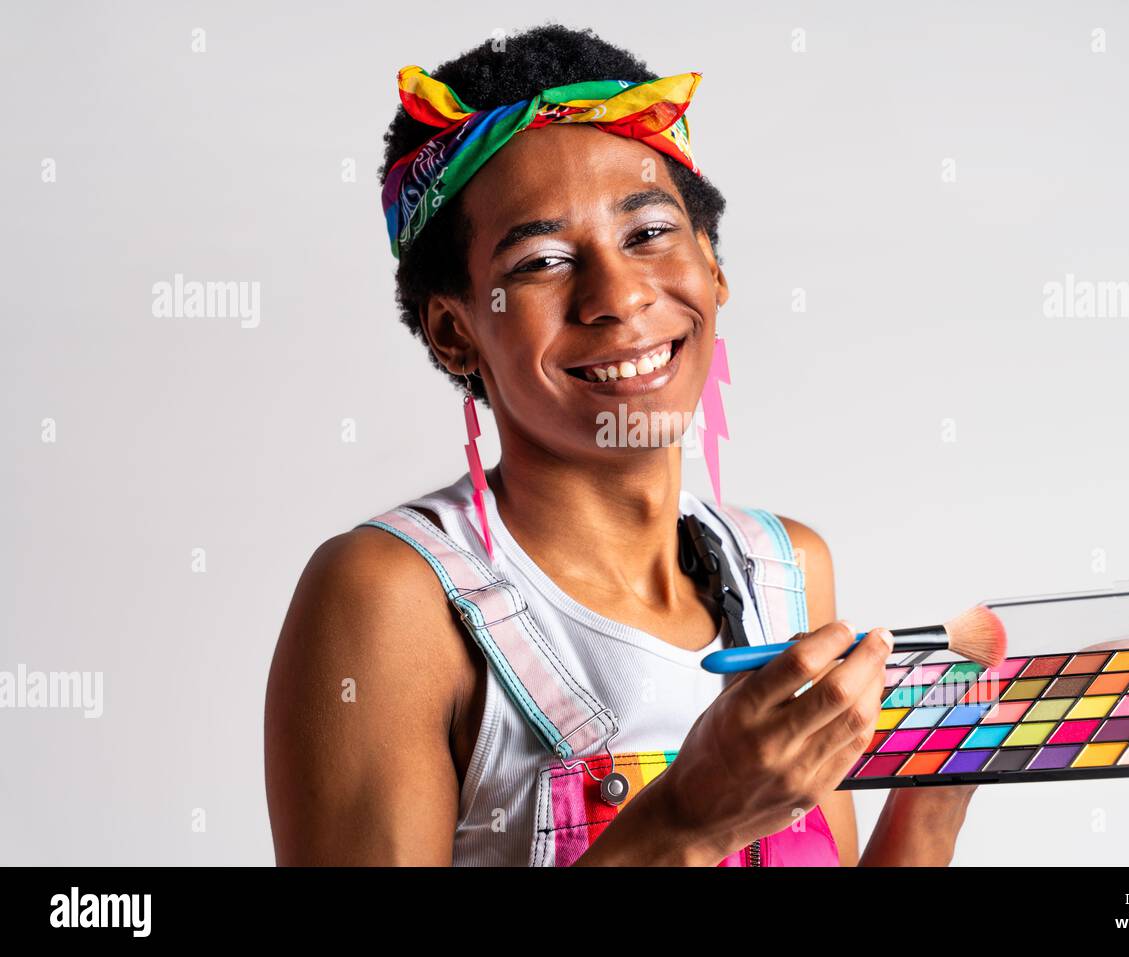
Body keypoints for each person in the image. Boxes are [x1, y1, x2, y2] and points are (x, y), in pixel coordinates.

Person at [264, 23, 974, 866]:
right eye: (543, 260)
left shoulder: (787, 570)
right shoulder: (389, 599)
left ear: (713, 269)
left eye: (648, 234)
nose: (619, 295)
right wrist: (683, 824)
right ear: (456, 333)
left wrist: (941, 790)